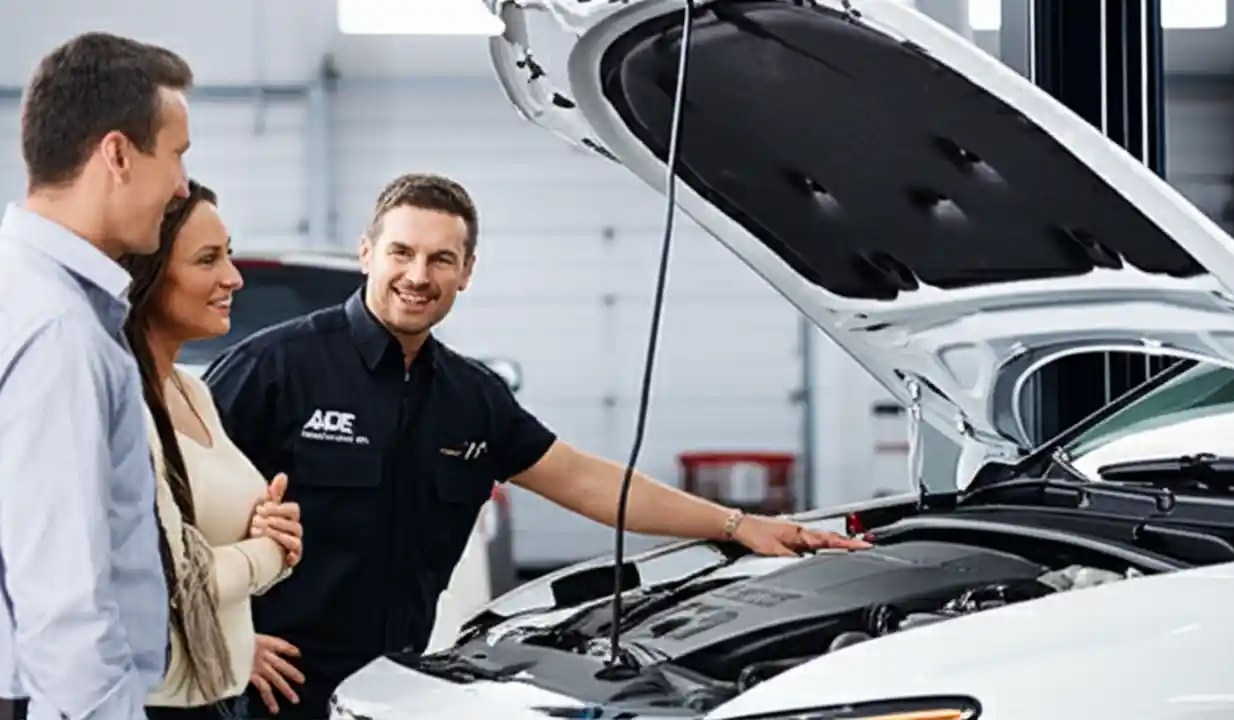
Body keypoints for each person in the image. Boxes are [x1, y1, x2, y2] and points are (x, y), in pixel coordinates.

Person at [204, 173, 870, 719]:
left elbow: (584, 481)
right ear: (367, 253)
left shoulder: (473, 397)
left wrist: (741, 524)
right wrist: (229, 642)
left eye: (441, 258)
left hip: (393, 685)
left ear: (466, 272)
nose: (417, 275)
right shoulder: (274, 369)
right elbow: (171, 507)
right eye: (401, 252)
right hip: (266, 687)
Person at [0, 32, 195, 720]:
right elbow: (63, 598)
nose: (181, 187)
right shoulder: (58, 329)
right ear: (117, 154)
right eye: (176, 156)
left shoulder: (22, 290)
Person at [117, 179, 306, 719]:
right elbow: (173, 581)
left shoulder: (192, 391)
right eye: (208, 260)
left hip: (218, 696)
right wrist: (272, 551)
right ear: (147, 277)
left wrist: (275, 539)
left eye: (228, 254)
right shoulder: (123, 404)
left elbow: (214, 563)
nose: (233, 277)